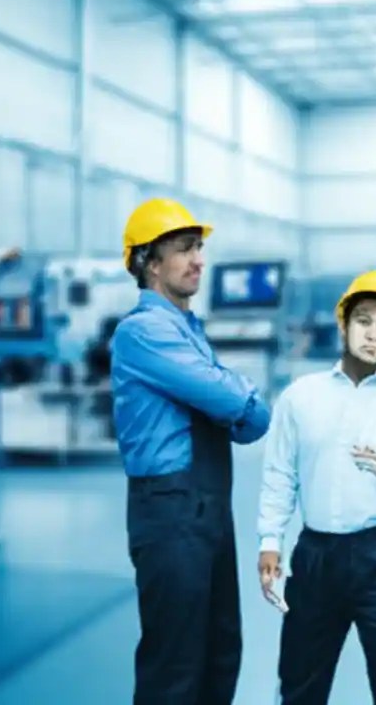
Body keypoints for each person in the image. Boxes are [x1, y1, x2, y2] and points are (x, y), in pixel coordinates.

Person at [257, 270, 376, 705]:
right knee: (300, 681)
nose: (373, 334)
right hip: (316, 558)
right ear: (344, 324)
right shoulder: (301, 398)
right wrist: (271, 540)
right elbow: (279, 473)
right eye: (364, 320)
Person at [109, 197, 273, 704]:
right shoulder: (144, 331)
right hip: (170, 513)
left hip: (209, 511)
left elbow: (253, 424)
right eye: (184, 249)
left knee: (220, 648)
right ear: (149, 263)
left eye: (198, 247)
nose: (199, 259)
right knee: (175, 663)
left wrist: (234, 396)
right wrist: (235, 391)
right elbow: (232, 401)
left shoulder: (188, 332)